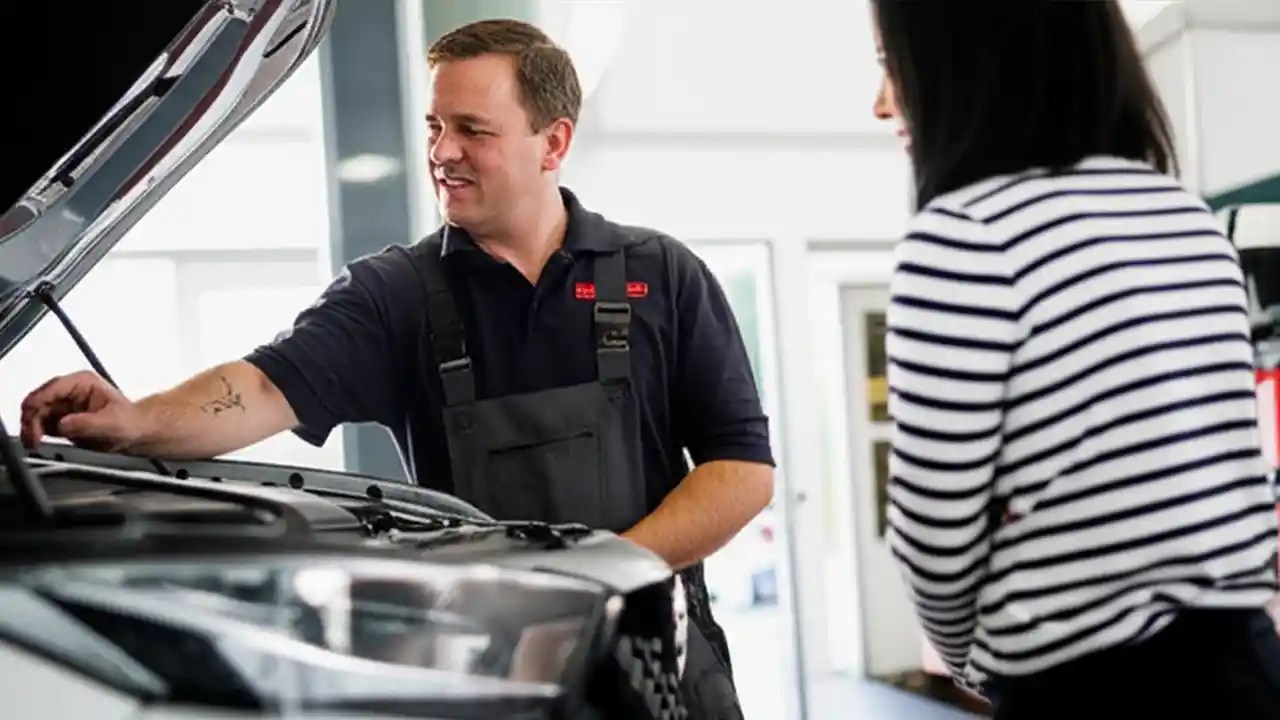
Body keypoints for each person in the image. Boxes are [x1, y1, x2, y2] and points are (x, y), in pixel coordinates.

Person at [18, 18, 773, 718]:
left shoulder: (661, 275)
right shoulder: (396, 295)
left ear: (553, 142)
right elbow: (259, 387)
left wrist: (603, 574)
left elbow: (741, 470)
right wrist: (133, 419)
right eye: (435, 127)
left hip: (659, 669)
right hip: (490, 677)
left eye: (472, 130)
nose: (442, 152)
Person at [869, 1, 1280, 717]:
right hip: (1247, 668)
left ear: (964, 62)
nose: (881, 104)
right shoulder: (1188, 221)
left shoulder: (962, 239)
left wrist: (976, 658)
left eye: (888, 64)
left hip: (1090, 687)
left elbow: (934, 540)